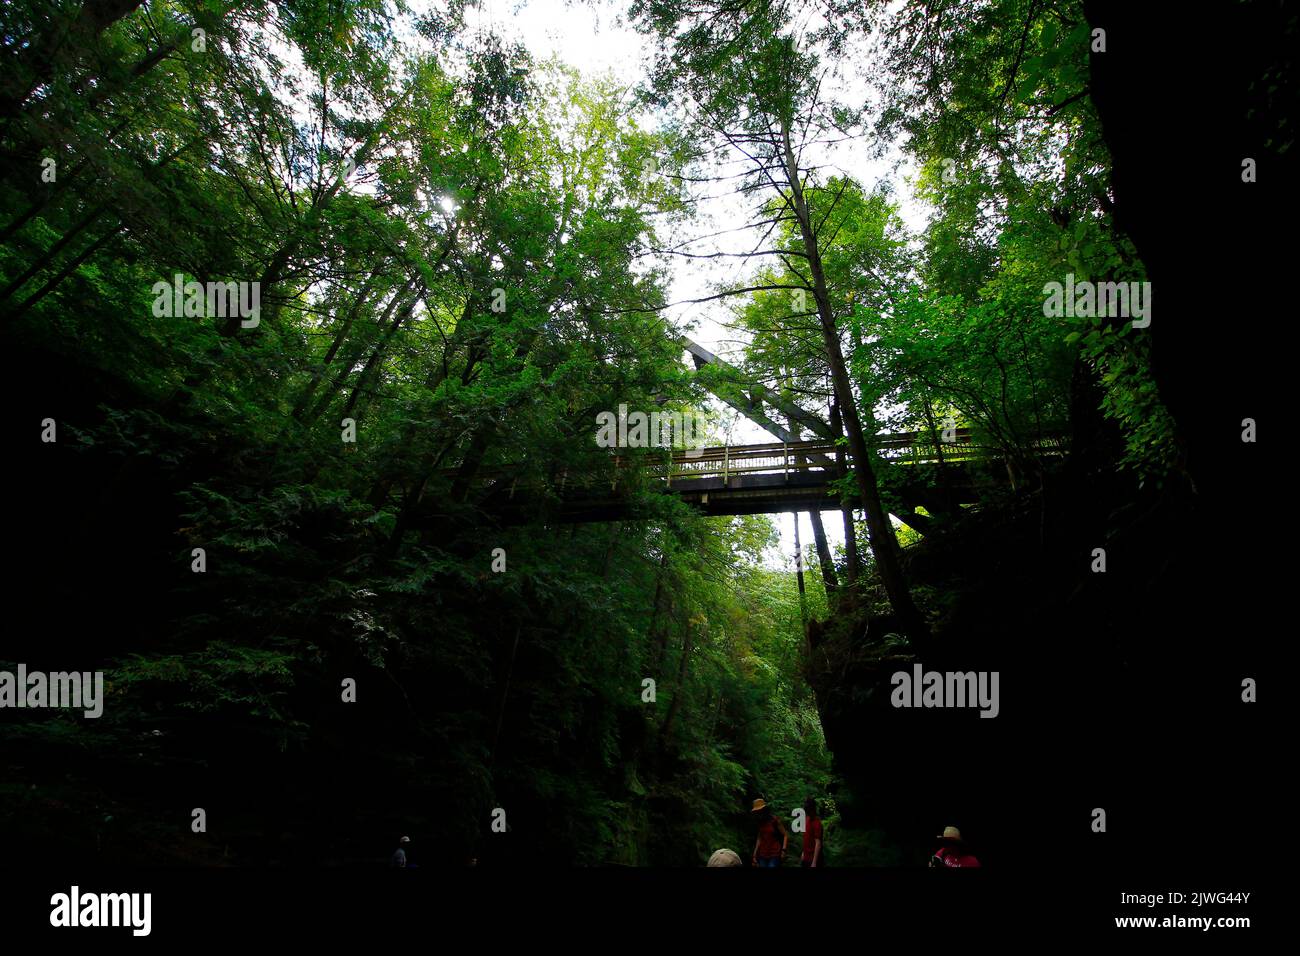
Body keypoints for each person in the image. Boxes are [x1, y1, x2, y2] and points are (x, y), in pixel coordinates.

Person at [750, 798, 788, 867]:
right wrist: (754, 854)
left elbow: (785, 835)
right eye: (756, 811)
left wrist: (783, 850)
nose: (758, 813)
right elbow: (759, 838)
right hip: (762, 854)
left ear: (763, 810)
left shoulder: (774, 820)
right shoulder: (759, 822)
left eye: (759, 811)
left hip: (774, 853)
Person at [800, 797, 825, 868]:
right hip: (806, 857)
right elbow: (806, 838)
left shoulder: (817, 823)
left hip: (814, 859)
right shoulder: (807, 819)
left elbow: (818, 844)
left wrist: (814, 862)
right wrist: (803, 852)